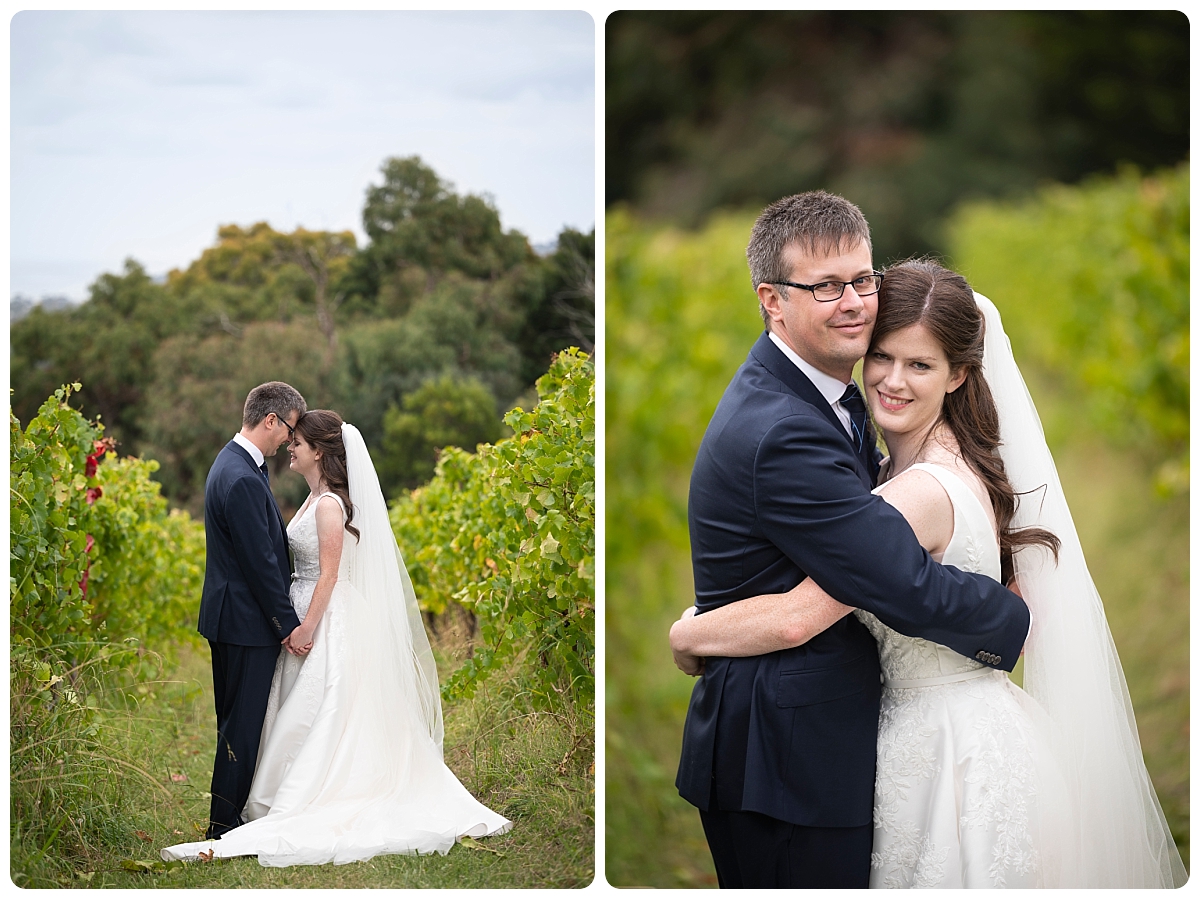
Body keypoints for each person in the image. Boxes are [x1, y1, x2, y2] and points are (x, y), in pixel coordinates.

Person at [671, 260, 1187, 888]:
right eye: (883, 357)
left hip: (946, 752)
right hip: (968, 728)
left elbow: (800, 614)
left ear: (959, 374)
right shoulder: (950, 460)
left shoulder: (912, 495)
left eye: (920, 366)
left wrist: (690, 634)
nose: (892, 380)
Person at [675, 192, 1031, 889]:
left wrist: (693, 634)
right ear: (772, 301)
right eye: (826, 286)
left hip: (831, 744)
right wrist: (1012, 617)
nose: (854, 302)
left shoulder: (830, 397)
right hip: (782, 760)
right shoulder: (786, 427)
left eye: (863, 279)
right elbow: (897, 580)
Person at [164, 410, 510, 866]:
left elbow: (329, 573)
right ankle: (270, 793)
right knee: (298, 707)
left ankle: (318, 791)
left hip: (324, 616)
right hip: (303, 610)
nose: (291, 447)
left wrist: (305, 625)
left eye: (298, 443)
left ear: (319, 451)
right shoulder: (312, 499)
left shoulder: (328, 505)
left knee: (329, 706)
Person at [196, 381, 308, 839]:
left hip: (230, 616)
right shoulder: (242, 476)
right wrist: (288, 624)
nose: (289, 440)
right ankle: (223, 828)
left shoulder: (235, 461)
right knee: (241, 726)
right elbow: (260, 563)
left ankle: (226, 816)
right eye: (289, 429)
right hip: (244, 622)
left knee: (235, 722)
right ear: (270, 420)